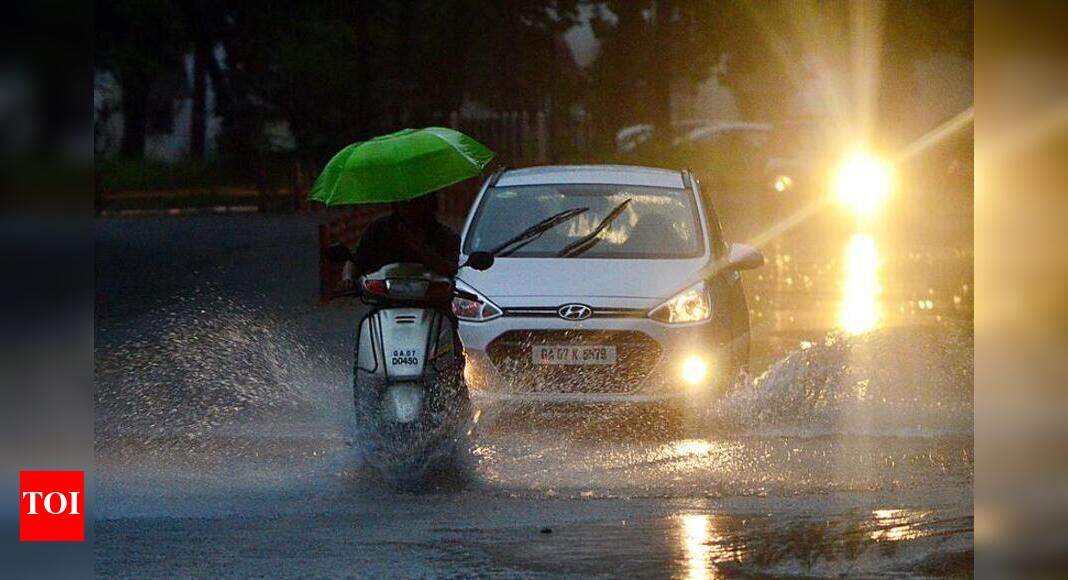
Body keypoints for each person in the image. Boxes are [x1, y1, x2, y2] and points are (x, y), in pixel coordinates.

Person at [340, 193, 460, 288]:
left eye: (417, 201)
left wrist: (421, 249)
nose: (410, 207)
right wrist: (347, 278)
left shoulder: (444, 235)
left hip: (431, 305)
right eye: (404, 202)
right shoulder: (379, 230)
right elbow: (356, 260)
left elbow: (450, 270)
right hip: (385, 303)